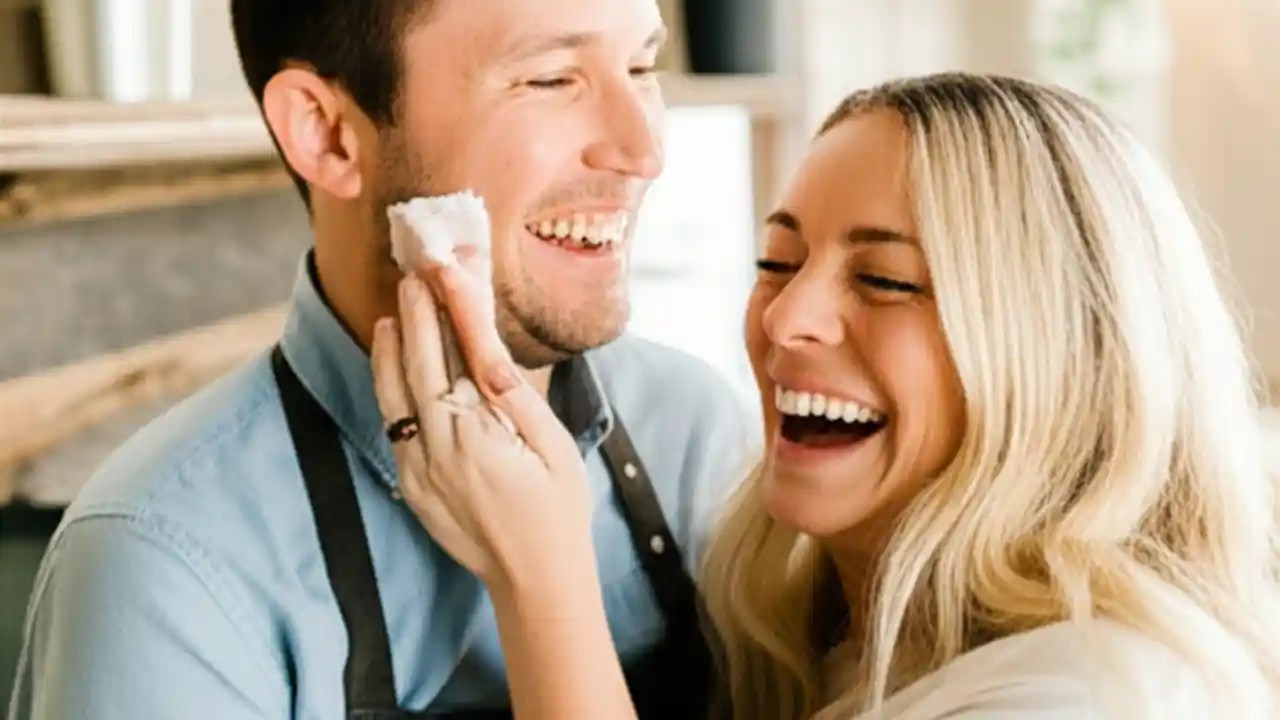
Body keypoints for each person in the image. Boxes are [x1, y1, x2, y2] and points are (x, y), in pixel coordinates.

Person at [375, 72, 1280, 719]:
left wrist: (542, 584)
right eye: (778, 262)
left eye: (885, 280)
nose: (785, 318)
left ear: (1059, 352)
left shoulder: (1100, 697)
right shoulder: (824, 639)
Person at [6, 1, 756, 718]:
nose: (643, 152)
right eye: (553, 79)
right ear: (328, 134)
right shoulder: (162, 560)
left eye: (641, 68)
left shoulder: (693, 435)